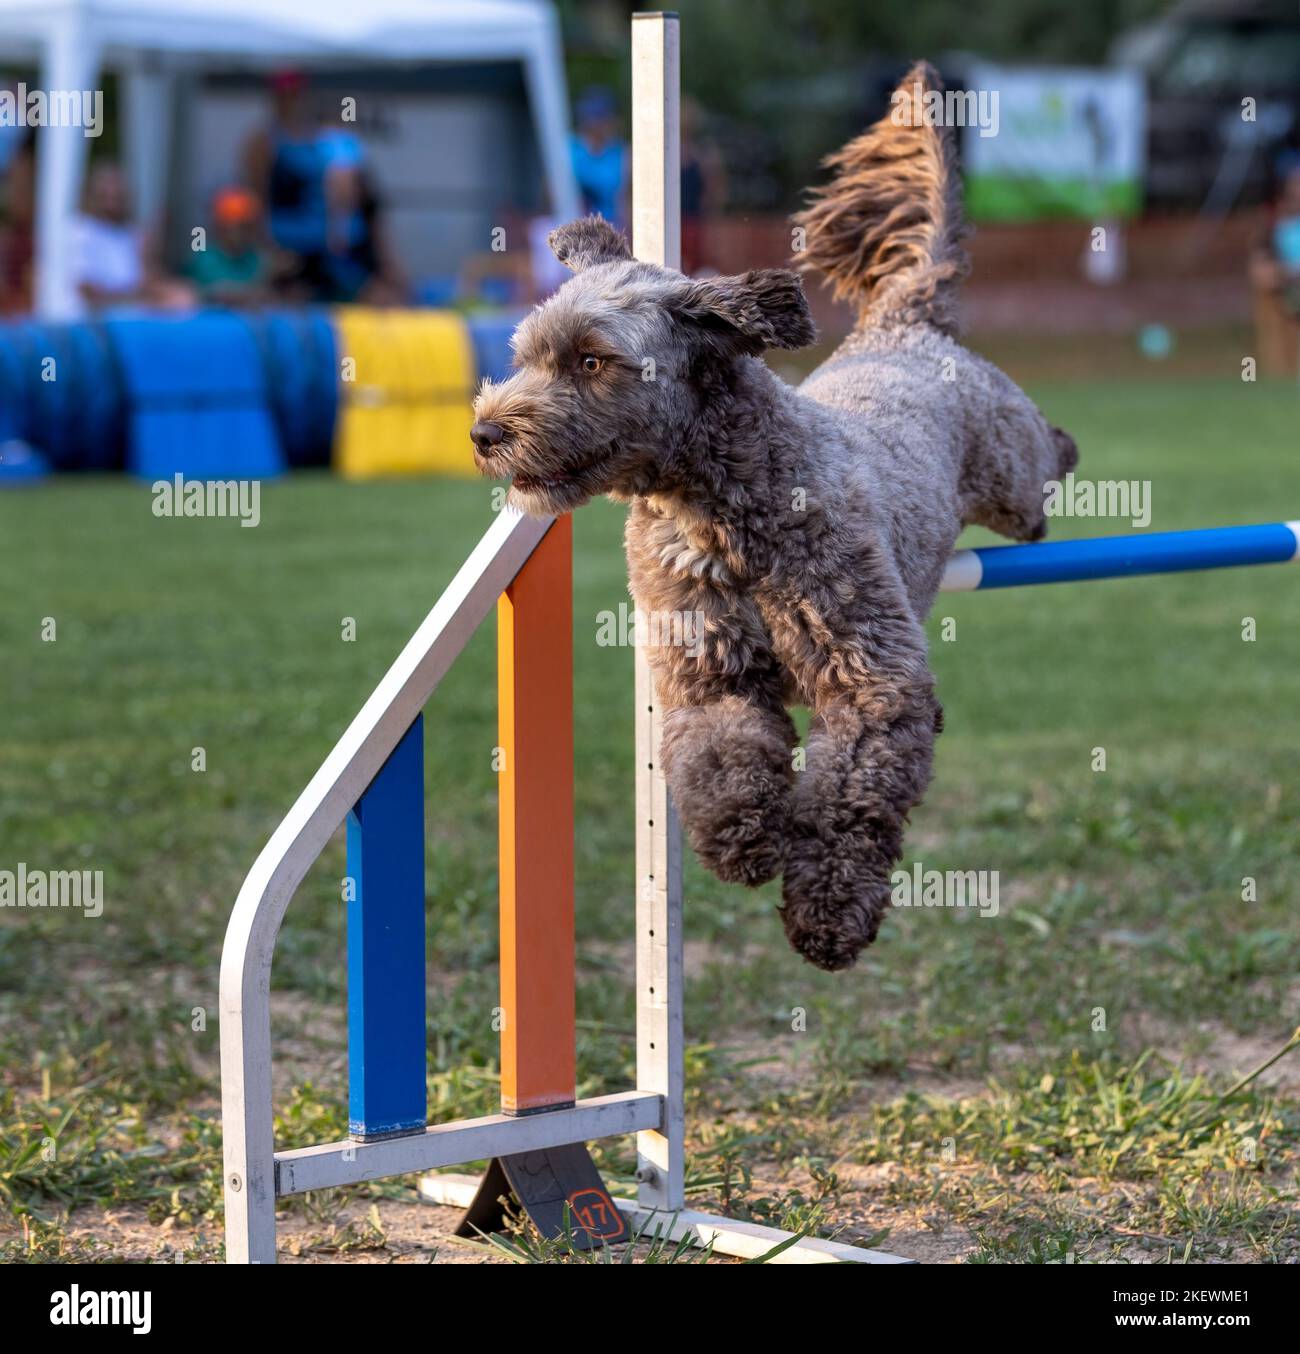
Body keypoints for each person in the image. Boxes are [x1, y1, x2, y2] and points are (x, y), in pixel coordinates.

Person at [67, 163, 193, 315]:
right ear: (93, 196)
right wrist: (138, 294)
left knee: (183, 296)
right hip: (98, 320)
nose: (112, 203)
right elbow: (88, 292)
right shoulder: (81, 231)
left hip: (133, 314)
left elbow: (148, 278)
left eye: (118, 197)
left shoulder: (132, 234)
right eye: (106, 197)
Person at [187, 186, 270, 306]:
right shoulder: (205, 259)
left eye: (249, 227)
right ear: (220, 228)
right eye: (239, 227)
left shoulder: (255, 259)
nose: (243, 234)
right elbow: (216, 293)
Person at [679, 97, 726, 275]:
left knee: (696, 268)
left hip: (694, 221)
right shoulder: (662, 151)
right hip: (673, 221)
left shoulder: (704, 152)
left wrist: (710, 218)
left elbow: (714, 189)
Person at [569, 87, 628, 228]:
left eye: (605, 117)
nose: (602, 123)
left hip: (611, 227)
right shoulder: (570, 149)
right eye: (597, 117)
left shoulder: (620, 151)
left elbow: (625, 198)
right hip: (571, 225)